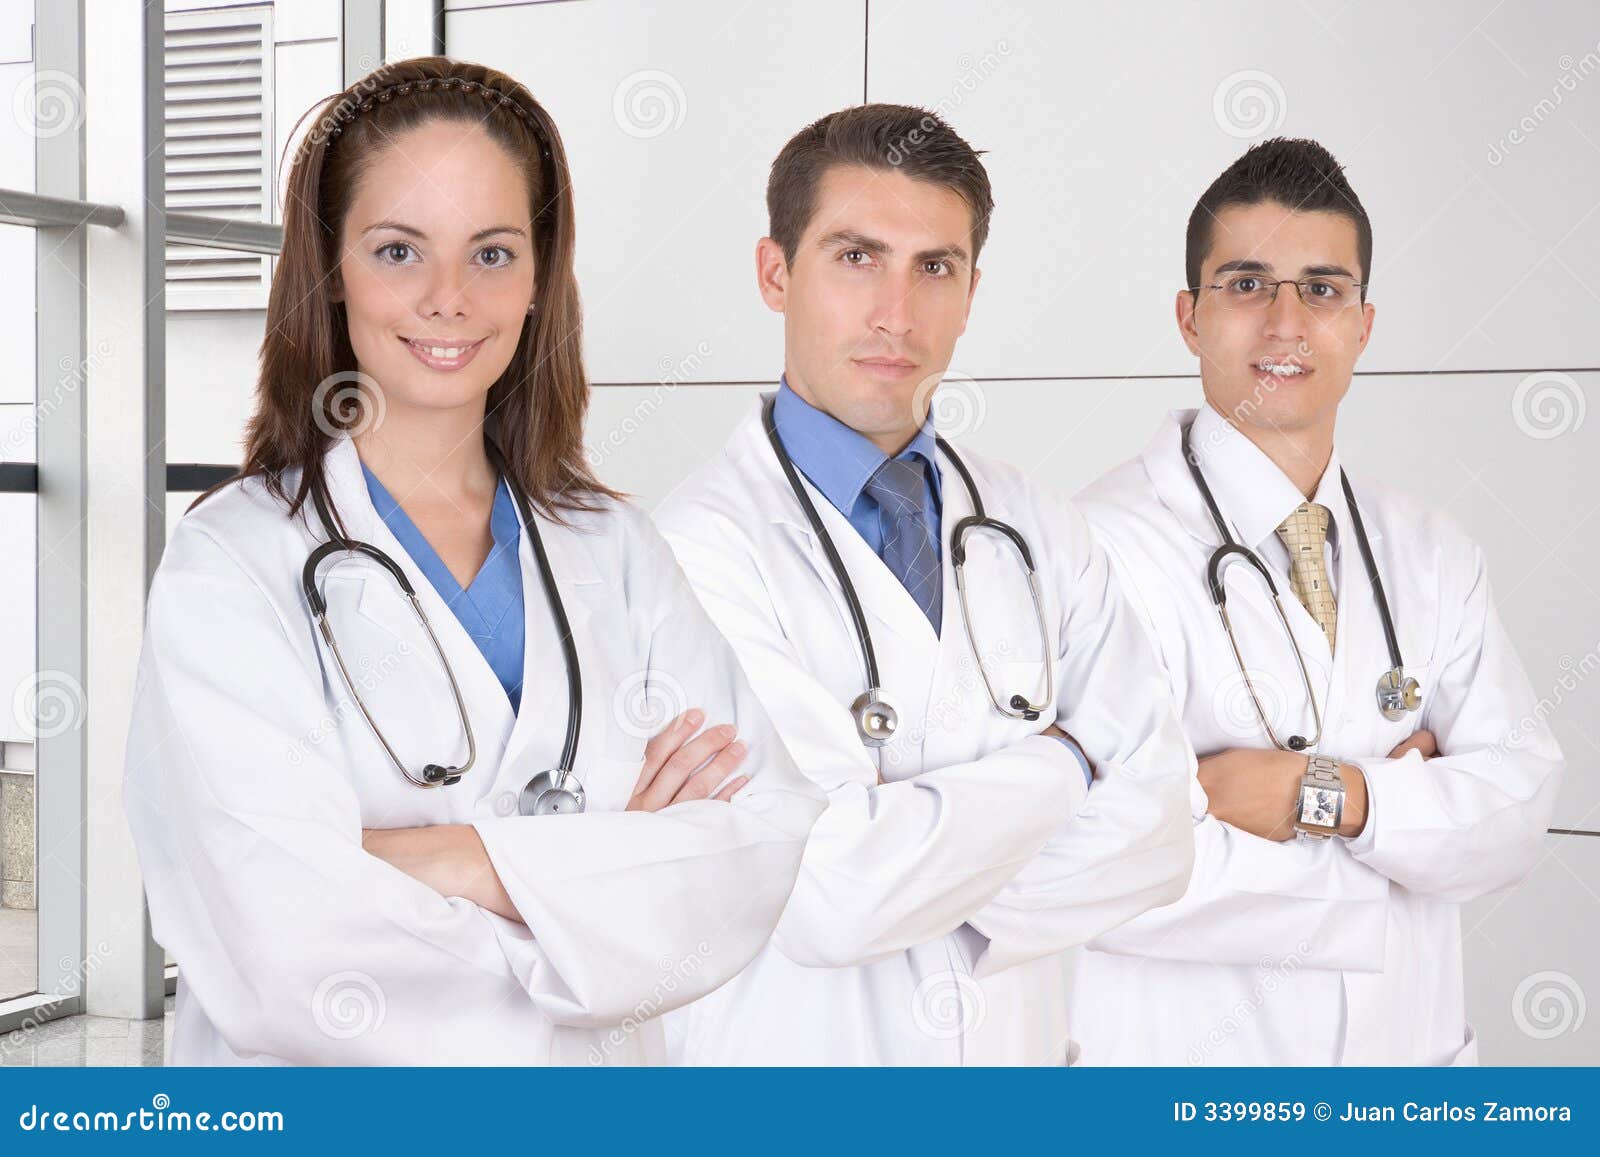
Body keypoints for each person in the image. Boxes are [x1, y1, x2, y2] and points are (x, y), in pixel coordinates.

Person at [121, 57, 824, 1066]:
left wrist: (426, 859)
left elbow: (763, 845)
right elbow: (279, 937)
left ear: (541, 277)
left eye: (492, 253)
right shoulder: (234, 559)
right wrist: (610, 872)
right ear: (331, 268)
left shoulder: (613, 548)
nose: (448, 298)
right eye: (398, 249)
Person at [656, 104, 1195, 1065]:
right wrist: (1071, 760)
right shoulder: (696, 552)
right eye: (856, 257)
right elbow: (825, 895)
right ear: (776, 274)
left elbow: (1159, 837)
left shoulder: (1038, 525)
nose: (896, 314)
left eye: (933, 267)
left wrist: (908, 856)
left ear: (973, 289)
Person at [1068, 137, 1565, 1065]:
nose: (1286, 323)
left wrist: (1324, 795)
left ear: (1364, 324)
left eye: (1323, 288)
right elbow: (1104, 861)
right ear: (1190, 317)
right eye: (1247, 284)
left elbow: (1517, 814)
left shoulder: (1433, 551)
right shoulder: (1095, 550)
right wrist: (1415, 823)